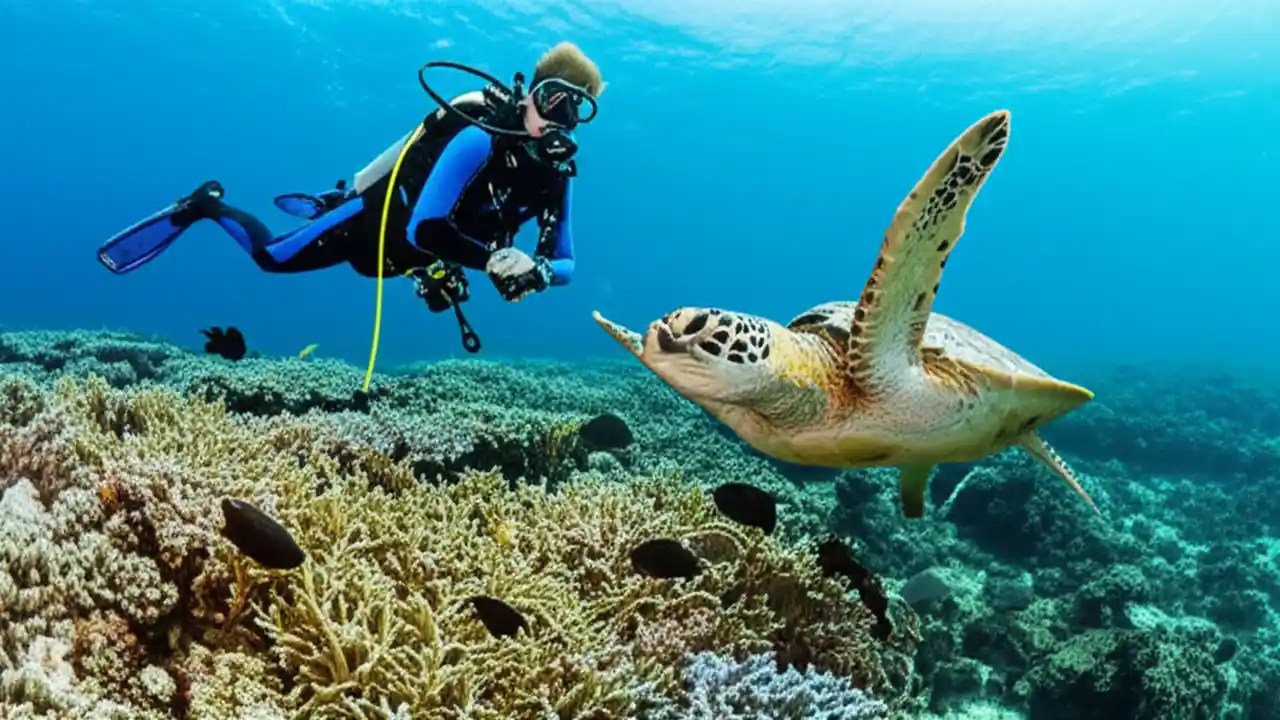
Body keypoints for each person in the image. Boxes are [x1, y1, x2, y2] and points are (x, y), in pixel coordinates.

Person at [97, 41, 605, 326]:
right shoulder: (479, 138)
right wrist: (492, 260)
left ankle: (324, 200)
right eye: (554, 99)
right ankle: (206, 205)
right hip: (374, 223)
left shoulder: (555, 176)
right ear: (529, 93)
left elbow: (566, 262)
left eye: (577, 109)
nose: (560, 119)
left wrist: (537, 272)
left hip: (410, 262)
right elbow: (426, 227)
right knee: (271, 258)